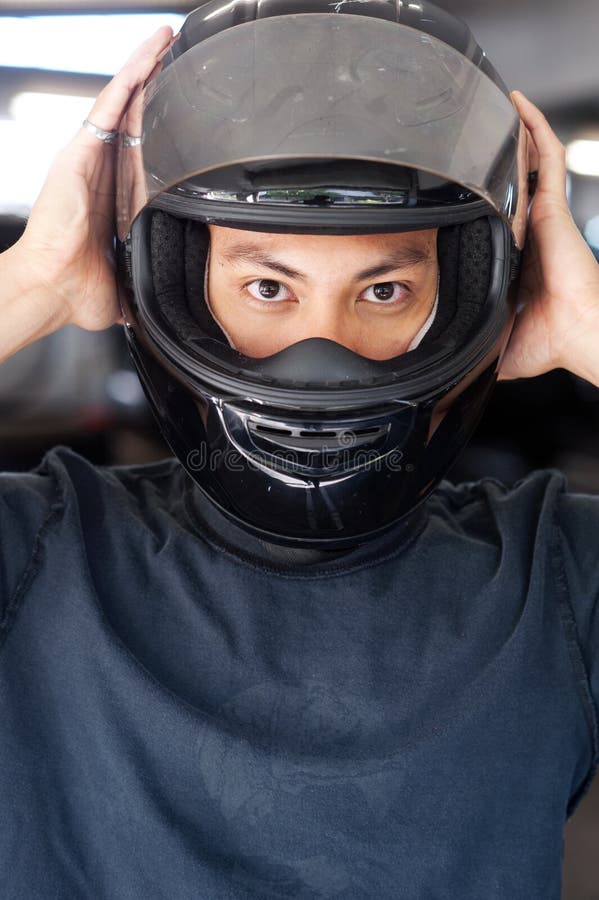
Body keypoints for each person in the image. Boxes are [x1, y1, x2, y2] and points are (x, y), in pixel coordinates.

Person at [1, 5, 599, 898]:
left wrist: (587, 325)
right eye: (268, 285)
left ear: (474, 296)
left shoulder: (556, 574)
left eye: (385, 287)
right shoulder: (38, 549)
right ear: (175, 283)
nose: (323, 353)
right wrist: (33, 279)